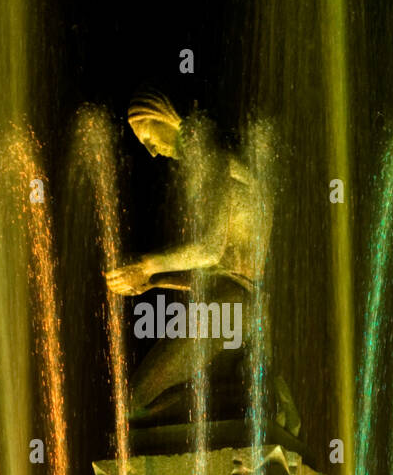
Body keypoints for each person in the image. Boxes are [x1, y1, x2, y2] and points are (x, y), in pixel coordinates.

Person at [104, 92, 277, 425]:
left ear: (168, 115)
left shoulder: (213, 159)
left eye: (148, 135)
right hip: (239, 304)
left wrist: (146, 263)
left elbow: (210, 249)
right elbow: (219, 268)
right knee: (141, 407)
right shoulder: (215, 165)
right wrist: (153, 281)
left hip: (233, 306)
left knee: (133, 401)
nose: (152, 151)